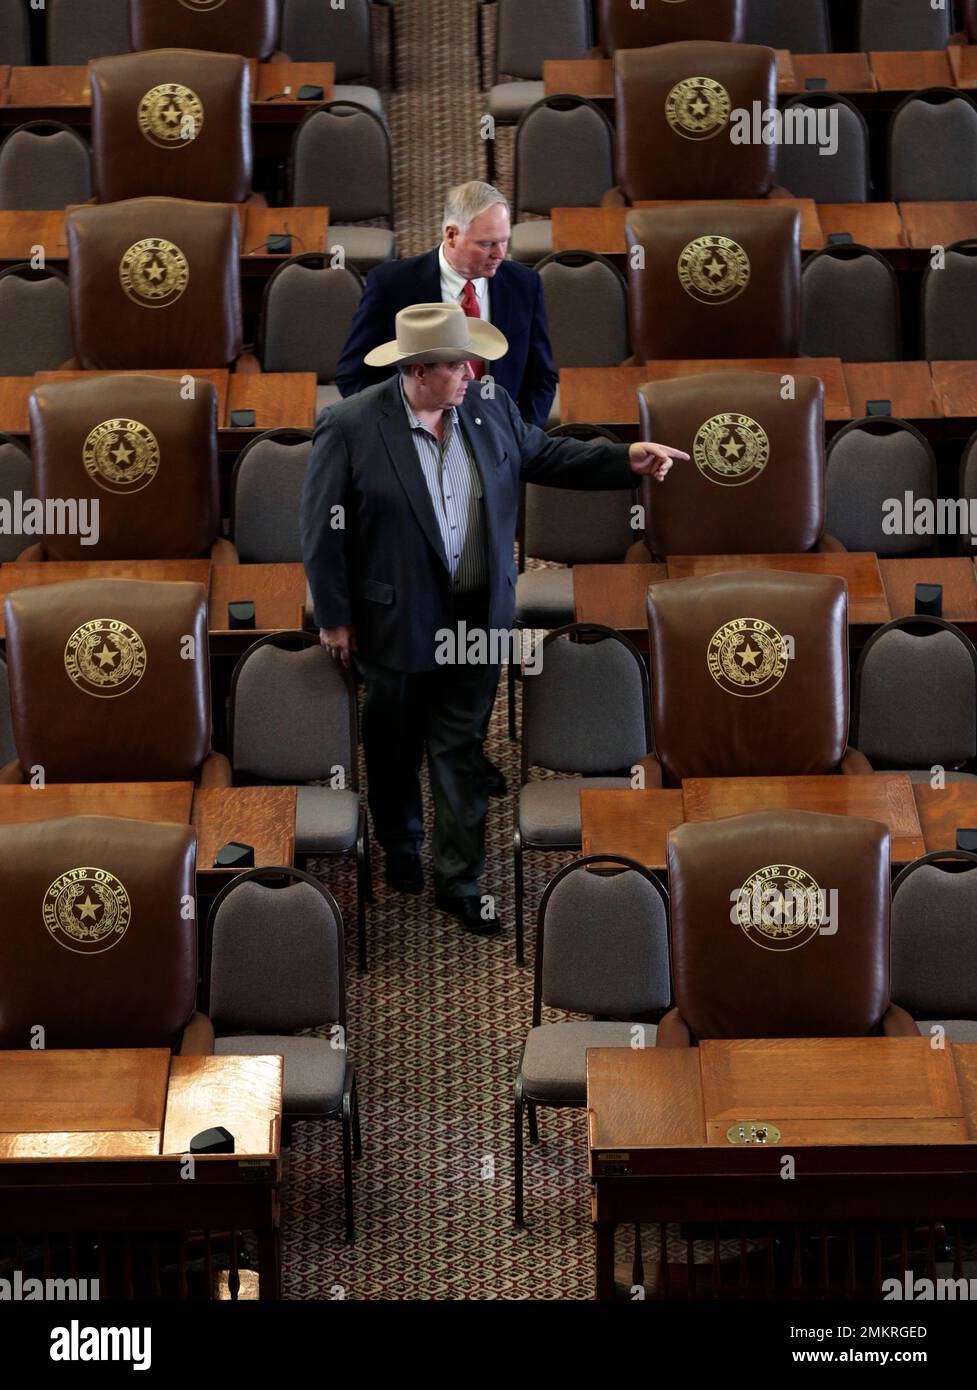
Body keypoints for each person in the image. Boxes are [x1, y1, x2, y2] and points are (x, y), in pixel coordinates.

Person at [301, 303, 687, 936]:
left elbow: (545, 455)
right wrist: (336, 615)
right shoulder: (350, 426)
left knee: (460, 747)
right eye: (457, 365)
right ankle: (401, 841)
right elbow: (320, 530)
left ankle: (460, 879)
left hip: (479, 615)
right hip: (394, 619)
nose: (470, 372)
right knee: (393, 744)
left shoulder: (489, 406)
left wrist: (627, 460)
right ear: (419, 371)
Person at [335, 181, 558, 429]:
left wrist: (520, 438)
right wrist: (397, 430)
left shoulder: (525, 285)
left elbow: (542, 378)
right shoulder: (391, 284)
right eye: (487, 244)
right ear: (451, 235)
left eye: (504, 241)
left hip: (499, 441)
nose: (500, 254)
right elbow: (353, 375)